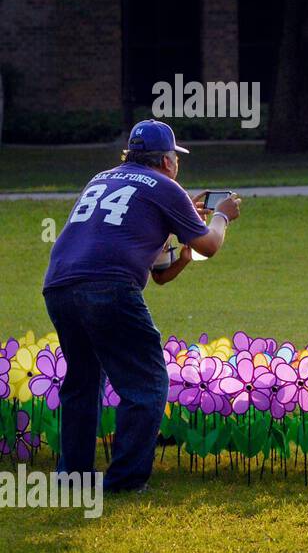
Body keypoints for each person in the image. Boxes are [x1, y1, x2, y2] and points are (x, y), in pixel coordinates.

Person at [42, 119, 241, 493]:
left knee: (82, 382)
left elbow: (160, 272)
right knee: (147, 383)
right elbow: (211, 245)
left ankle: (72, 476)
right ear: (167, 161)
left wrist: (181, 243)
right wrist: (221, 216)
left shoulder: (101, 178)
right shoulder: (168, 187)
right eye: (175, 158)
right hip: (109, 287)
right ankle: (126, 481)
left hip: (60, 286)